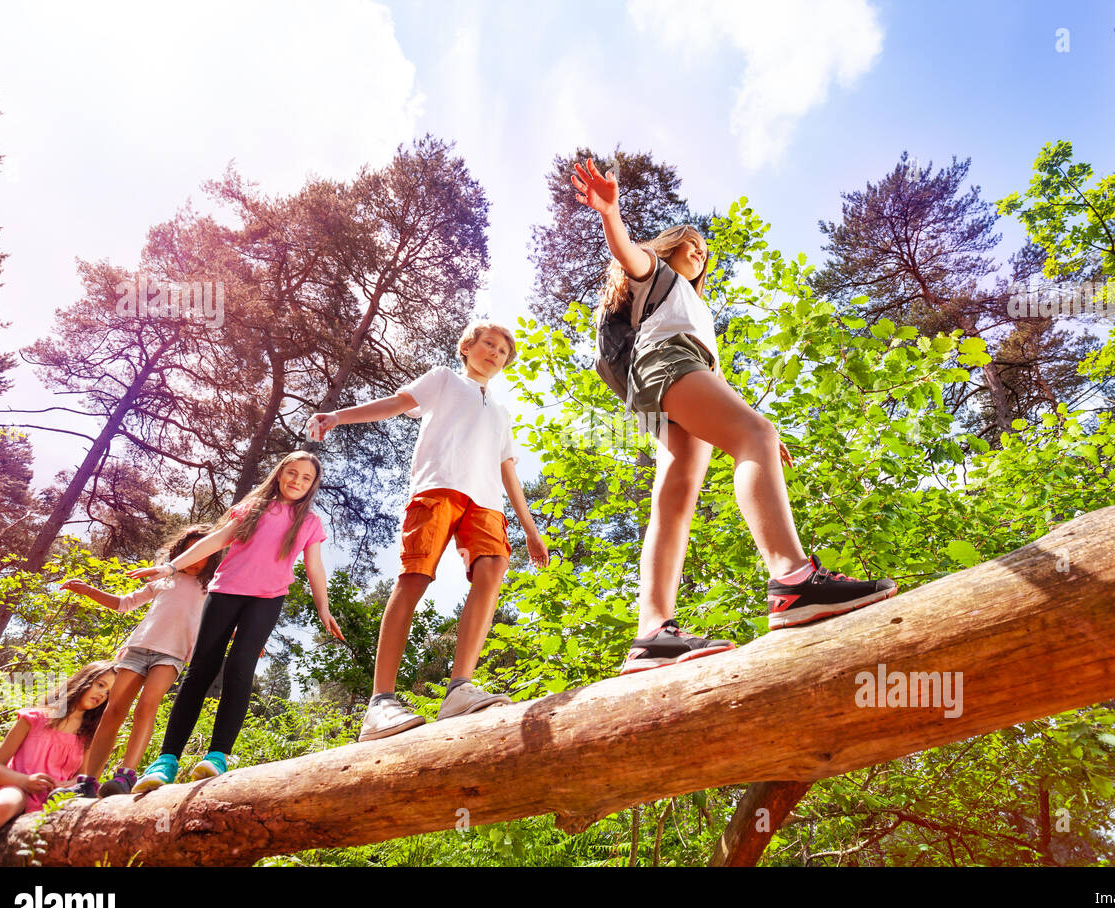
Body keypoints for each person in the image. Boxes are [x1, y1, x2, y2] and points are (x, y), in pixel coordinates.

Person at [571, 157, 898, 676]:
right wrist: (611, 213)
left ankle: (652, 632)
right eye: (690, 245)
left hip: (668, 378)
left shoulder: (693, 306)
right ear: (667, 249)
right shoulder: (656, 277)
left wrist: (750, 428)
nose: (700, 253)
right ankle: (792, 582)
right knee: (752, 438)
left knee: (674, 500)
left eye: (704, 250)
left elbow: (713, 379)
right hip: (667, 364)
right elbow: (627, 253)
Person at [310, 319, 549, 741]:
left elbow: (508, 470)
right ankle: (380, 703)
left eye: (503, 352)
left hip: (486, 502)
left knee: (492, 571)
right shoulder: (444, 380)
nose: (495, 353)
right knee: (416, 577)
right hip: (439, 488)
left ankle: (459, 688)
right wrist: (338, 417)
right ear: (467, 347)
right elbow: (398, 403)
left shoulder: (500, 411)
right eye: (488, 344)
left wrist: (530, 530)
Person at [127, 452, 343, 790]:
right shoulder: (253, 508)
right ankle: (166, 760)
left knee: (241, 668)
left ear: (312, 485)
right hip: (226, 593)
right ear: (279, 474)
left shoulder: (310, 523)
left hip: (267, 600)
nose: (297, 481)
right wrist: (170, 567)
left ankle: (217, 756)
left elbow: (315, 568)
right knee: (200, 670)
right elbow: (215, 540)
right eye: (292, 473)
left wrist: (323, 607)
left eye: (305, 478)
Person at [52, 525, 221, 798]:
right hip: (138, 648)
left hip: (172, 654)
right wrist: (88, 591)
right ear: (179, 553)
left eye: (199, 553)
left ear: (210, 556)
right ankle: (87, 781)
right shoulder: (164, 580)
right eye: (187, 550)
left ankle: (126, 775)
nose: (193, 557)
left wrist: (242, 636)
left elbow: (219, 621)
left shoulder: (211, 588)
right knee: (113, 710)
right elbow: (124, 603)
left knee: (147, 706)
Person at [0, 661, 115, 865]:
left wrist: (67, 785)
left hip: (58, 799)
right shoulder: (34, 718)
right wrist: (25, 781)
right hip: (17, 787)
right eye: (100, 684)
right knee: (2, 806)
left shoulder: (89, 735)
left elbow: (84, 779)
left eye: (108, 693)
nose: (102, 695)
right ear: (83, 681)